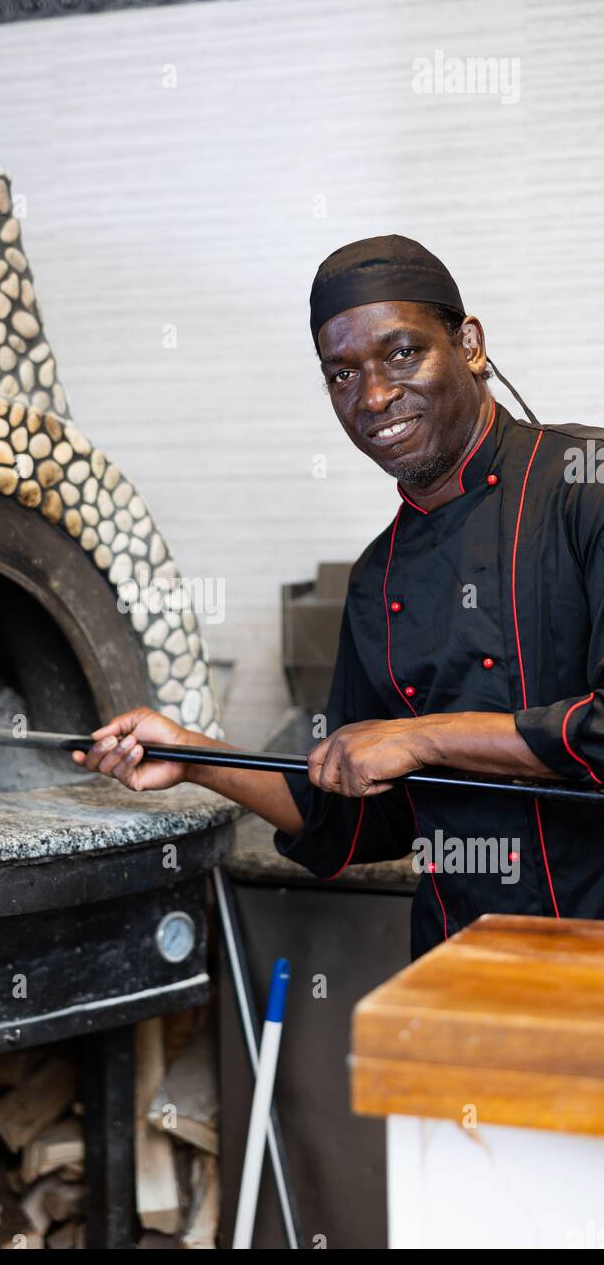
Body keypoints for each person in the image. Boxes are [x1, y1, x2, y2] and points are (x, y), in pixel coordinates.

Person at [73, 234, 604, 959]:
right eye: (342, 374)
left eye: (401, 353)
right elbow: (353, 817)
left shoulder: (587, 485)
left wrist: (418, 737)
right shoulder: (377, 576)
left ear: (471, 345)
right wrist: (194, 755)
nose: (374, 396)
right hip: (461, 965)